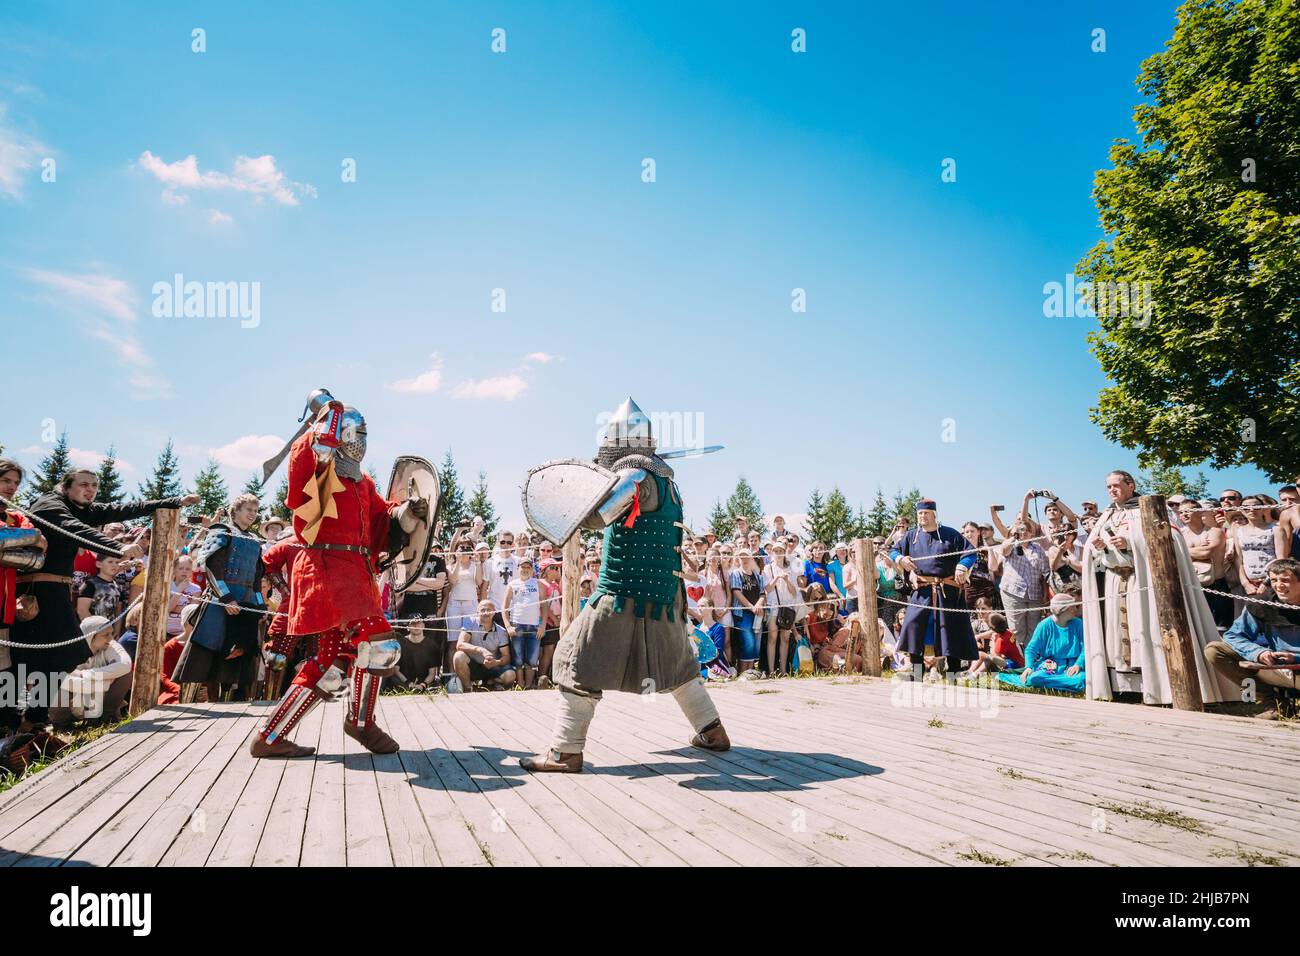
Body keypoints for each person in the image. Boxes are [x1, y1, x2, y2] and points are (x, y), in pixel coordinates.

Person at [519, 397, 730, 773]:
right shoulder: (668, 485)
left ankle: (565, 753)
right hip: (663, 601)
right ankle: (711, 731)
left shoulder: (634, 476)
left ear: (618, 444)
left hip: (622, 595)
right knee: (679, 667)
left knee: (571, 659)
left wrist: (570, 502)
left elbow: (599, 517)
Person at [253, 392, 429, 758]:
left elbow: (385, 522)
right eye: (355, 433)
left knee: (331, 665)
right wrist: (325, 419)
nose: (361, 441)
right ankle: (360, 722)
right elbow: (305, 468)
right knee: (380, 645)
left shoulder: (362, 482)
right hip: (329, 572)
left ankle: (269, 737)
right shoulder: (321, 469)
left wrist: (409, 513)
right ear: (339, 434)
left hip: (355, 573)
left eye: (365, 434)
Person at [11, 467, 192, 732]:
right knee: (34, 657)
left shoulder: (79, 508)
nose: (90, 490)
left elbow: (123, 509)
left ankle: (34, 719)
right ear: (66, 487)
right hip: (38, 592)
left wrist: (173, 502)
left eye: (94, 486)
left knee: (60, 657)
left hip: (56, 591)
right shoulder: (49, 505)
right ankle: (21, 721)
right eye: (84, 484)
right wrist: (116, 547)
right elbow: (73, 528)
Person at [1080, 469, 1233, 704]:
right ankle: (1125, 688)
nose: (1112, 490)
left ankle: (1162, 687)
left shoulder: (1148, 508)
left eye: (1116, 485)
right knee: (1117, 634)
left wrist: (1130, 542)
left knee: (1147, 629)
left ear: (1131, 485)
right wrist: (1099, 546)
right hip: (1114, 581)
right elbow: (1092, 549)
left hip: (1145, 582)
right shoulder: (1108, 515)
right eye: (1108, 486)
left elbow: (1172, 539)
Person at [172, 493, 266, 700]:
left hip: (246, 602)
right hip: (220, 601)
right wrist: (225, 597)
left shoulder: (253, 540)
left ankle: (232, 702)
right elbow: (212, 567)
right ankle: (196, 702)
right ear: (236, 511)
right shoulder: (221, 531)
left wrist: (260, 606)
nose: (253, 514)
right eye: (248, 509)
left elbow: (257, 576)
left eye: (255, 510)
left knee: (240, 653)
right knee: (208, 653)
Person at [890, 499, 978, 681]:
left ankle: (953, 671)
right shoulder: (911, 536)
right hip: (922, 591)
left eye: (926, 513)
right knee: (914, 627)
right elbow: (893, 551)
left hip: (947, 591)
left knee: (950, 630)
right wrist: (901, 560)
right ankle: (917, 671)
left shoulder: (950, 534)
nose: (923, 516)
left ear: (934, 514)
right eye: (920, 513)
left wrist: (962, 565)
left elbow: (970, 552)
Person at [1203, 558, 1300, 719]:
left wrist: (1295, 657)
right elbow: (1233, 635)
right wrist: (1258, 653)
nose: (1279, 585)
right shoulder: (1263, 604)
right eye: (1274, 580)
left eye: (1286, 580)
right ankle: (1274, 704)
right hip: (1278, 668)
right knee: (1214, 650)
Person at [999, 593, 1085, 693]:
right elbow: (1032, 648)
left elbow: (1085, 648)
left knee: (1081, 680)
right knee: (1033, 678)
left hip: (1071, 665)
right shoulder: (1044, 625)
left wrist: (1078, 665)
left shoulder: (1078, 624)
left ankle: (1057, 682)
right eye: (1073, 607)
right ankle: (1062, 683)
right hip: (1050, 665)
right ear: (1064, 610)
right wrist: (1029, 667)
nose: (1075, 609)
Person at [989, 516, 1050, 645]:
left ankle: (1031, 658)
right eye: (1020, 530)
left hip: (1035, 594)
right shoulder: (1010, 544)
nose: (1023, 532)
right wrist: (1014, 536)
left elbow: (1045, 573)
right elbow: (1004, 551)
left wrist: (1045, 594)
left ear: (1031, 532)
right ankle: (1020, 659)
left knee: (1034, 629)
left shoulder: (1038, 549)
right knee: (1017, 630)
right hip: (1013, 592)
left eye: (1026, 530)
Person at [1178, 500, 1232, 628]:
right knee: (1196, 626)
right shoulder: (1180, 534)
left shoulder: (1215, 531)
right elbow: (1174, 552)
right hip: (1191, 584)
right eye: (1181, 512)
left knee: (1220, 628)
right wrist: (1193, 550)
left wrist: (1182, 550)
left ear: (1200, 511)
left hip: (1216, 585)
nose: (1184, 515)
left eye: (1188, 511)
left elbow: (1206, 553)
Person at [452, 599, 516, 690]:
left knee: (510, 676)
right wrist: (480, 650)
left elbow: (506, 656)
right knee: (458, 656)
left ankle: (491, 683)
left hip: (493, 666)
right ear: (477, 612)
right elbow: (460, 645)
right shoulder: (470, 621)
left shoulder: (501, 631)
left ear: (494, 612)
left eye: (489, 610)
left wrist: (496, 662)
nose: (486, 612)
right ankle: (469, 689)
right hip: (473, 666)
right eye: (482, 610)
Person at [502, 556, 543, 688]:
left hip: (534, 626)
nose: (525, 569)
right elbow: (504, 607)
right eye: (523, 567)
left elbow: (545, 606)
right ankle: (520, 685)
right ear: (518, 568)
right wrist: (508, 626)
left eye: (528, 567)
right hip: (517, 624)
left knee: (531, 659)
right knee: (518, 659)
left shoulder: (538, 584)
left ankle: (529, 686)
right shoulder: (512, 585)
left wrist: (542, 626)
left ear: (532, 569)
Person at [730, 550, 766, 676]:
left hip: (756, 613)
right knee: (747, 642)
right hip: (742, 613)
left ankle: (750, 673)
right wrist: (751, 607)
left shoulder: (757, 576)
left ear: (751, 558)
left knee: (755, 644)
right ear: (738, 559)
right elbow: (737, 593)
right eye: (741, 557)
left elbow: (762, 593)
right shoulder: (735, 573)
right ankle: (743, 672)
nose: (744, 559)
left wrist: (758, 605)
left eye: (747, 556)